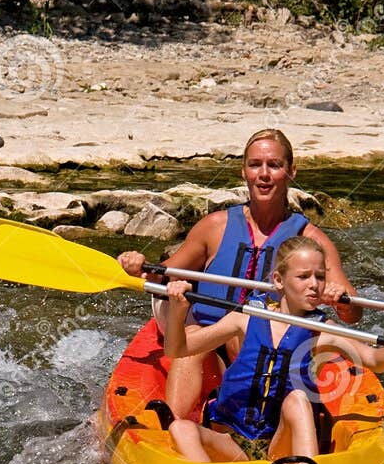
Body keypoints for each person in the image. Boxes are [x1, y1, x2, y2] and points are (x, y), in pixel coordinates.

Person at [117, 128, 359, 420]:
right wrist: (141, 268)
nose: (264, 174)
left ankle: (253, 424)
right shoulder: (215, 226)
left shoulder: (312, 242)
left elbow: (353, 313)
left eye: (275, 165)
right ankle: (175, 432)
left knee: (251, 334)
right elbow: (164, 276)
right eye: (255, 165)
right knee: (193, 338)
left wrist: (342, 301)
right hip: (207, 345)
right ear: (244, 171)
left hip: (269, 351)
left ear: (291, 171)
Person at [162, 235, 384, 464]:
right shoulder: (245, 318)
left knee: (298, 399)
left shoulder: (322, 330)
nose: (314, 285)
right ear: (279, 280)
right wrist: (178, 310)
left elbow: (373, 359)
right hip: (232, 443)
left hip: (279, 447)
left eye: (320, 277)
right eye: (303, 277)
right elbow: (178, 349)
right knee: (180, 428)